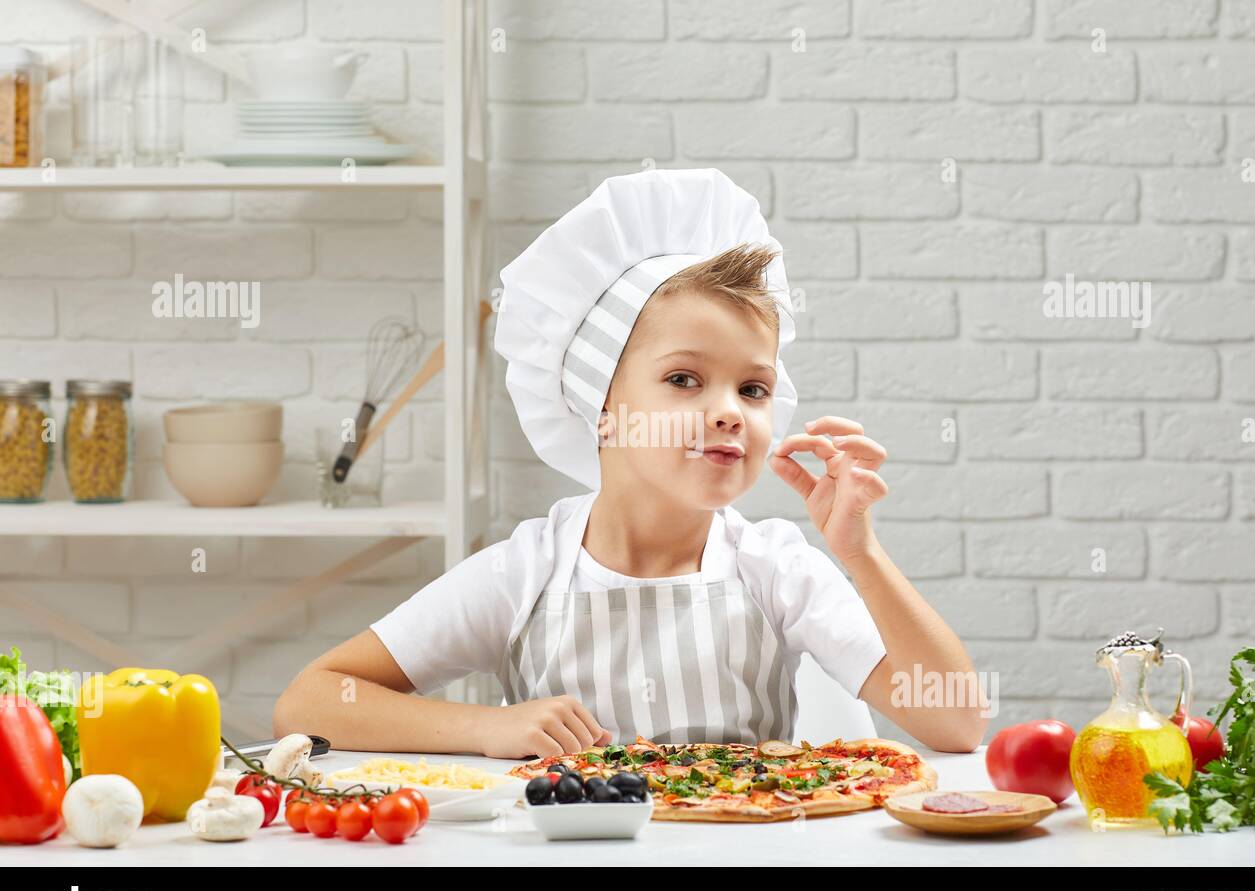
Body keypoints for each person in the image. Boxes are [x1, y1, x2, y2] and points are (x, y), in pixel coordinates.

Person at [274, 168, 986, 758]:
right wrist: (488, 727)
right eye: (684, 379)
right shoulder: (526, 571)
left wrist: (859, 552)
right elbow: (309, 700)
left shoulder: (774, 566)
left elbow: (956, 722)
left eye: (753, 388)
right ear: (600, 407)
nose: (730, 410)